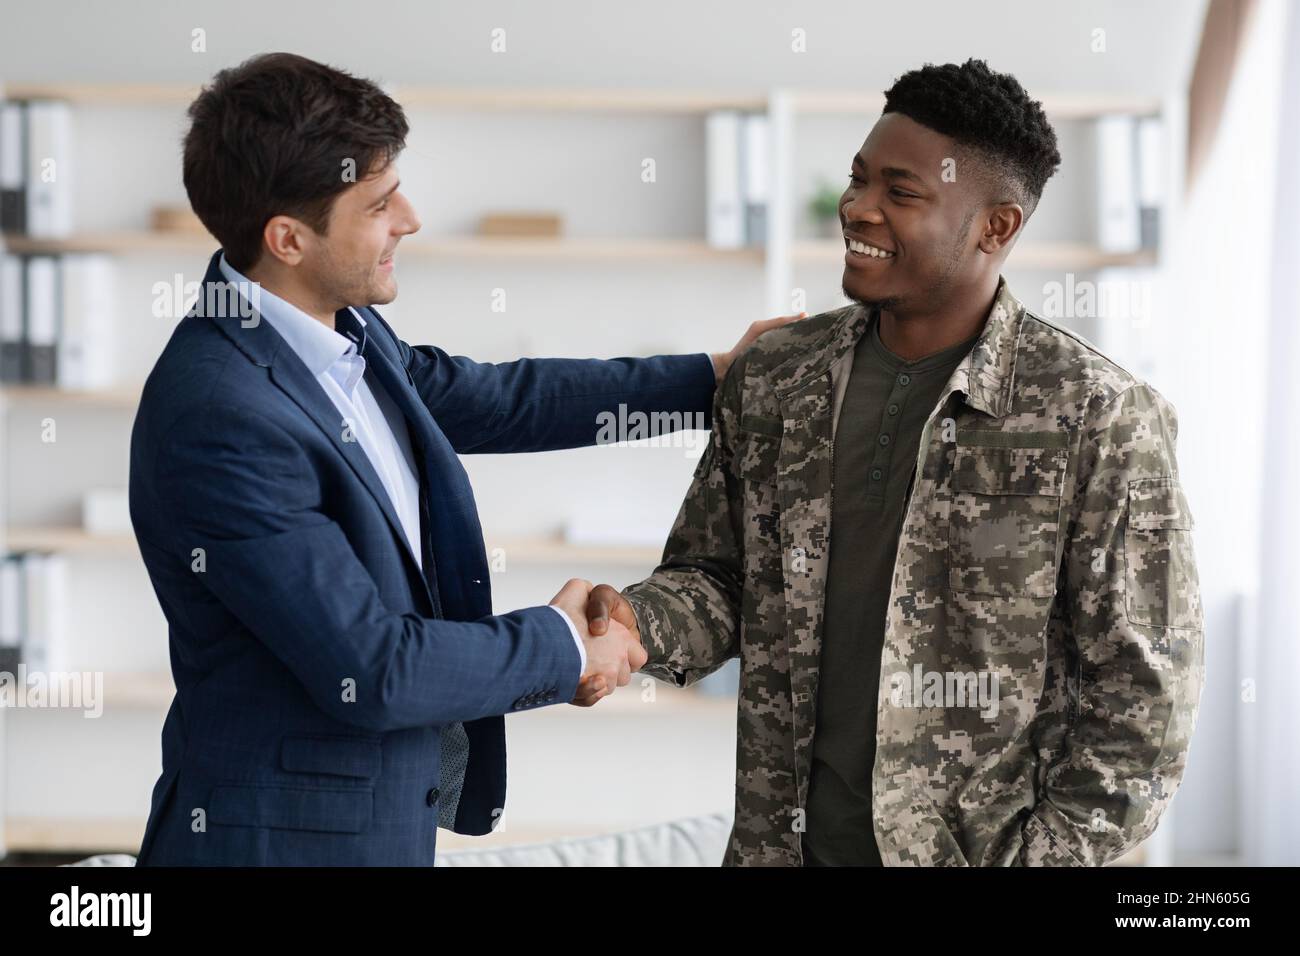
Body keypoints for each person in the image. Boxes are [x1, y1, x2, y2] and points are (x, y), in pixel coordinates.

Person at [128, 51, 798, 866]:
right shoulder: (220, 414)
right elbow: (373, 667)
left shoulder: (340, 330)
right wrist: (563, 645)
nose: (408, 217)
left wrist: (713, 381)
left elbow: (492, 397)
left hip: (377, 830)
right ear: (288, 238)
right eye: (378, 203)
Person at [583, 59, 1205, 867]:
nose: (857, 209)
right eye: (857, 179)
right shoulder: (777, 375)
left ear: (997, 227)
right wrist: (638, 622)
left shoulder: (1100, 415)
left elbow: (1145, 696)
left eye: (899, 193)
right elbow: (717, 579)